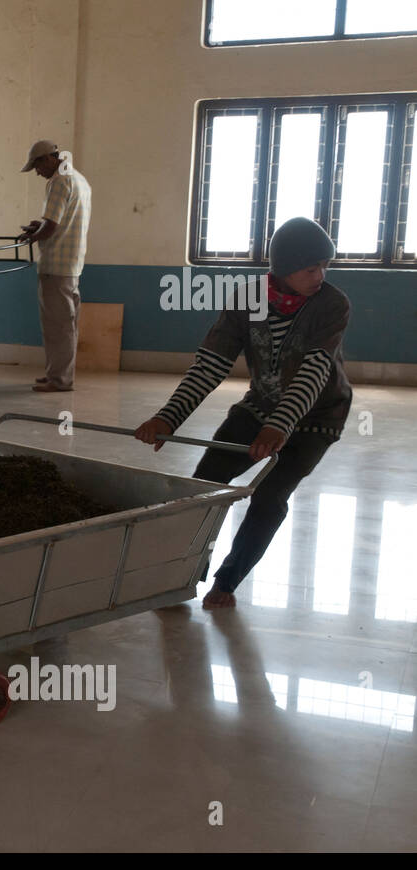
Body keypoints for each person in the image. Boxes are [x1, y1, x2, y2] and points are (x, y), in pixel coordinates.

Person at [135, 217, 351, 610]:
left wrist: (280, 426)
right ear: (283, 269)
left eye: (325, 266)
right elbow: (211, 364)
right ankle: (179, 575)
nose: (320, 275)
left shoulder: (332, 304)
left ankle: (228, 580)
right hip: (260, 406)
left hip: (318, 417)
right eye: (310, 268)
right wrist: (169, 417)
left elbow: (315, 370)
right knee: (205, 486)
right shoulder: (246, 299)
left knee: (270, 496)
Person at [19, 139, 92, 392]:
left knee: (57, 326)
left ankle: (59, 380)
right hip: (72, 263)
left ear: (48, 159)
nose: (38, 173)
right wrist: (37, 227)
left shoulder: (58, 182)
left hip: (55, 264)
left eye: (37, 167)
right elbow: (62, 221)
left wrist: (33, 235)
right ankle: (57, 374)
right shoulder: (78, 179)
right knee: (66, 324)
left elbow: (51, 226)